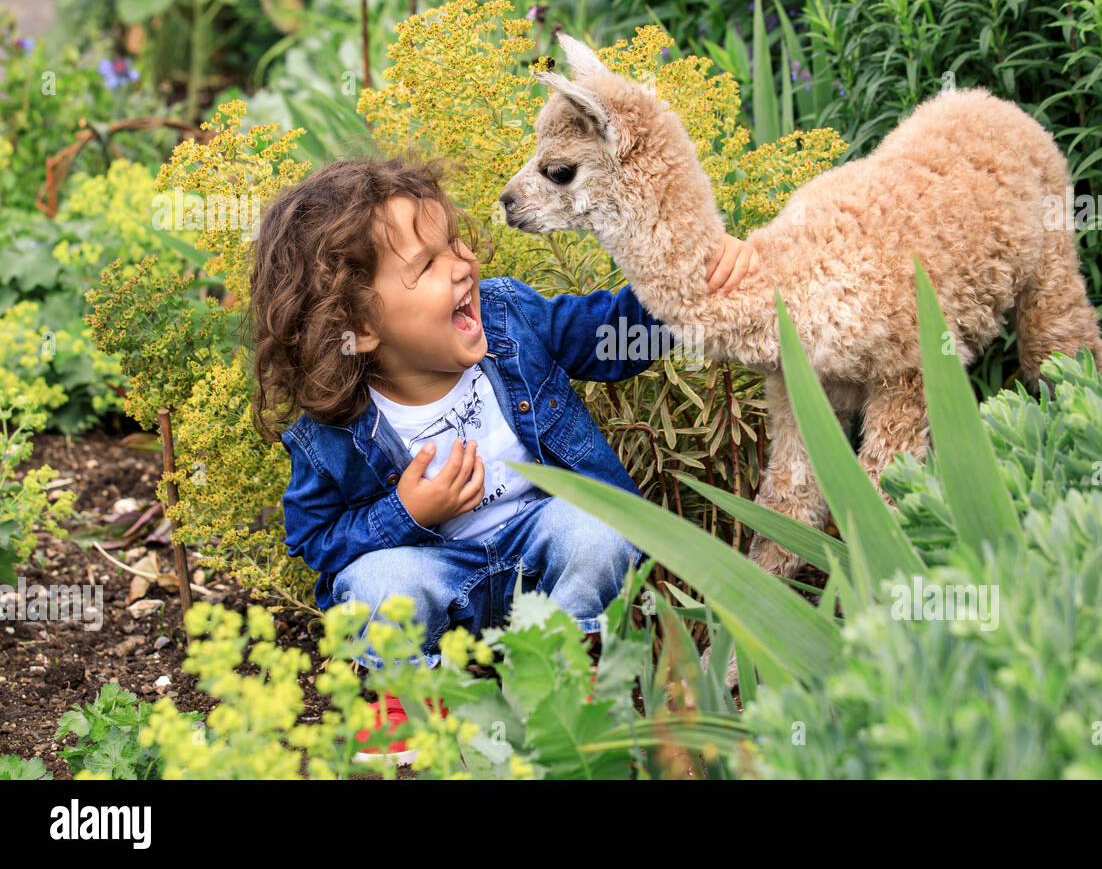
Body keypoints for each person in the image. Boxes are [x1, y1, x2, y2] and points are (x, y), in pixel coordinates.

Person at [248, 156, 757, 763]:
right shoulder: (331, 431)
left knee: (598, 530)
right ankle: (408, 694)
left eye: (457, 243)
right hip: (439, 584)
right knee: (373, 584)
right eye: (431, 264)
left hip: (542, 565)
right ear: (359, 324)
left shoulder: (510, 318)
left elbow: (612, 337)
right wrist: (406, 511)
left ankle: (565, 671)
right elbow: (317, 541)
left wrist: (690, 279)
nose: (465, 264)